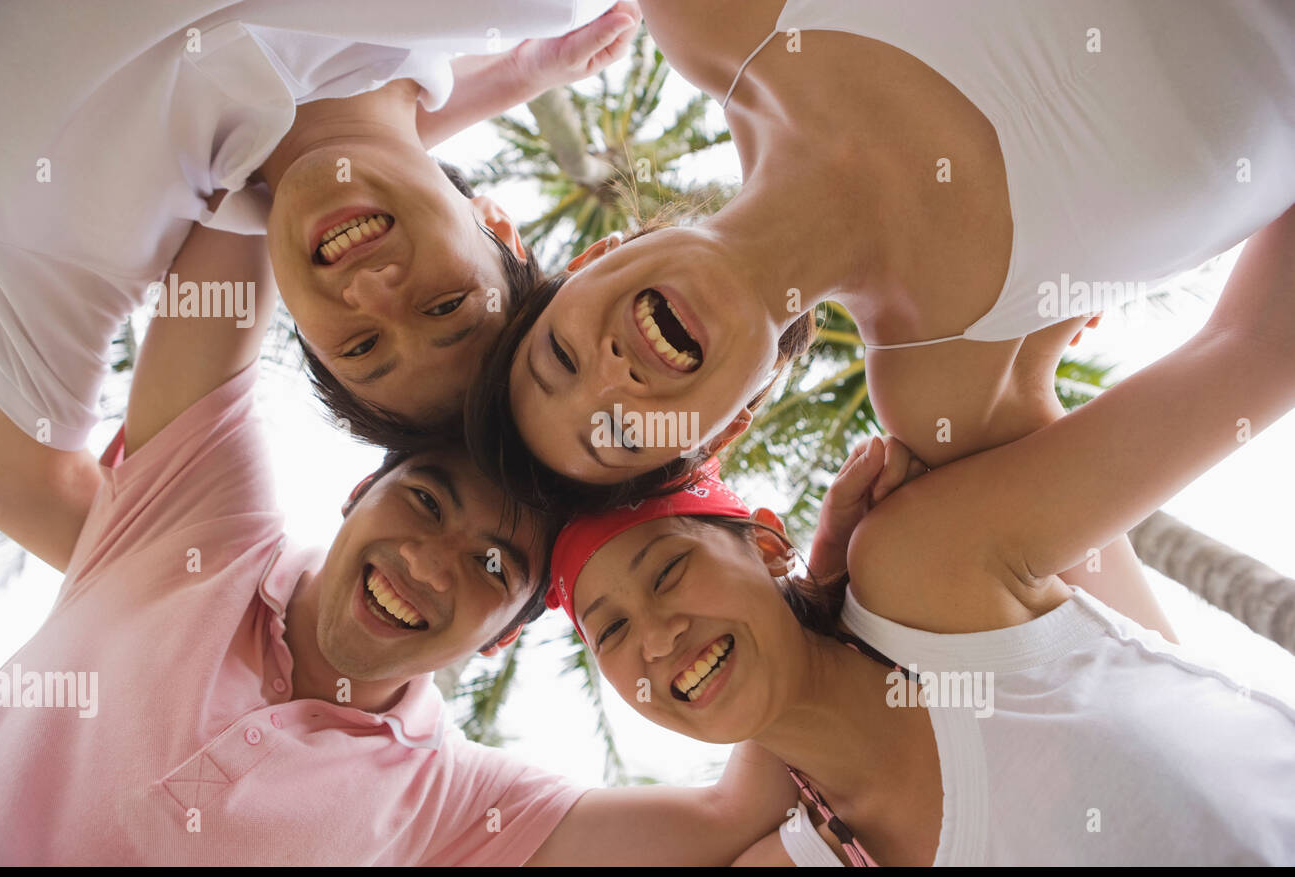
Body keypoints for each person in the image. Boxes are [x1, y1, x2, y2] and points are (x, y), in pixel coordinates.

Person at [466, 0, 1295, 631]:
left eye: (561, 360)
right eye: (615, 437)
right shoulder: (955, 382)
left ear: (594, 258)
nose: (610, 374)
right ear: (719, 433)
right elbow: (1261, 346)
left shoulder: (717, 16)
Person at [0, 221, 798, 865]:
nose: (425, 562)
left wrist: (830, 566)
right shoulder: (199, 528)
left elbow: (736, 815)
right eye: (422, 502)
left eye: (493, 566)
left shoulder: (452, 806)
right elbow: (242, 199)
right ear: (355, 496)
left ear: (500, 641)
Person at [542, 204, 1295, 865]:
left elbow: (1254, 346)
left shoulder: (922, 574)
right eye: (608, 632)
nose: (658, 636)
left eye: (668, 572)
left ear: (770, 548)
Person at [0, 0, 639, 565]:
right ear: (496, 223)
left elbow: (35, 490)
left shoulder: (83, 247)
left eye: (360, 348)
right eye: (444, 306)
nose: (371, 292)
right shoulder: (525, 9)